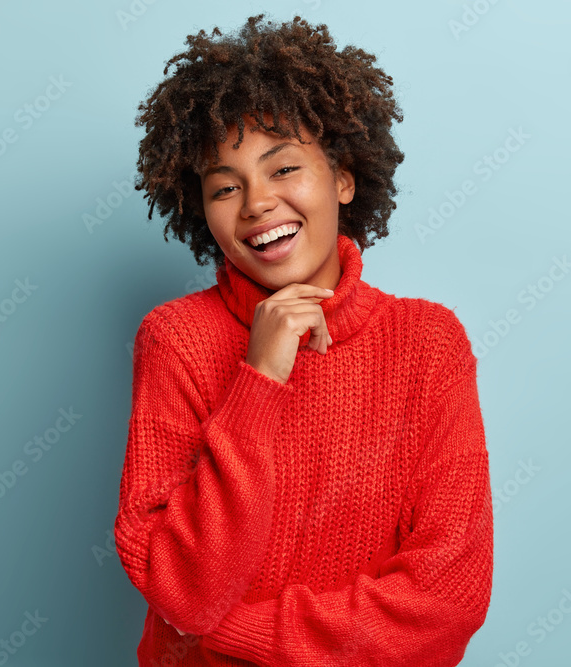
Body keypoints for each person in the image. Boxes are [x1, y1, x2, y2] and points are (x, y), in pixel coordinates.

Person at [114, 14, 492, 666]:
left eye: (283, 166)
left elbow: (445, 600)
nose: (257, 202)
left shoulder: (429, 344)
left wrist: (236, 633)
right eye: (225, 186)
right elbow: (185, 591)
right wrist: (257, 380)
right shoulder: (174, 339)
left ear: (343, 178)